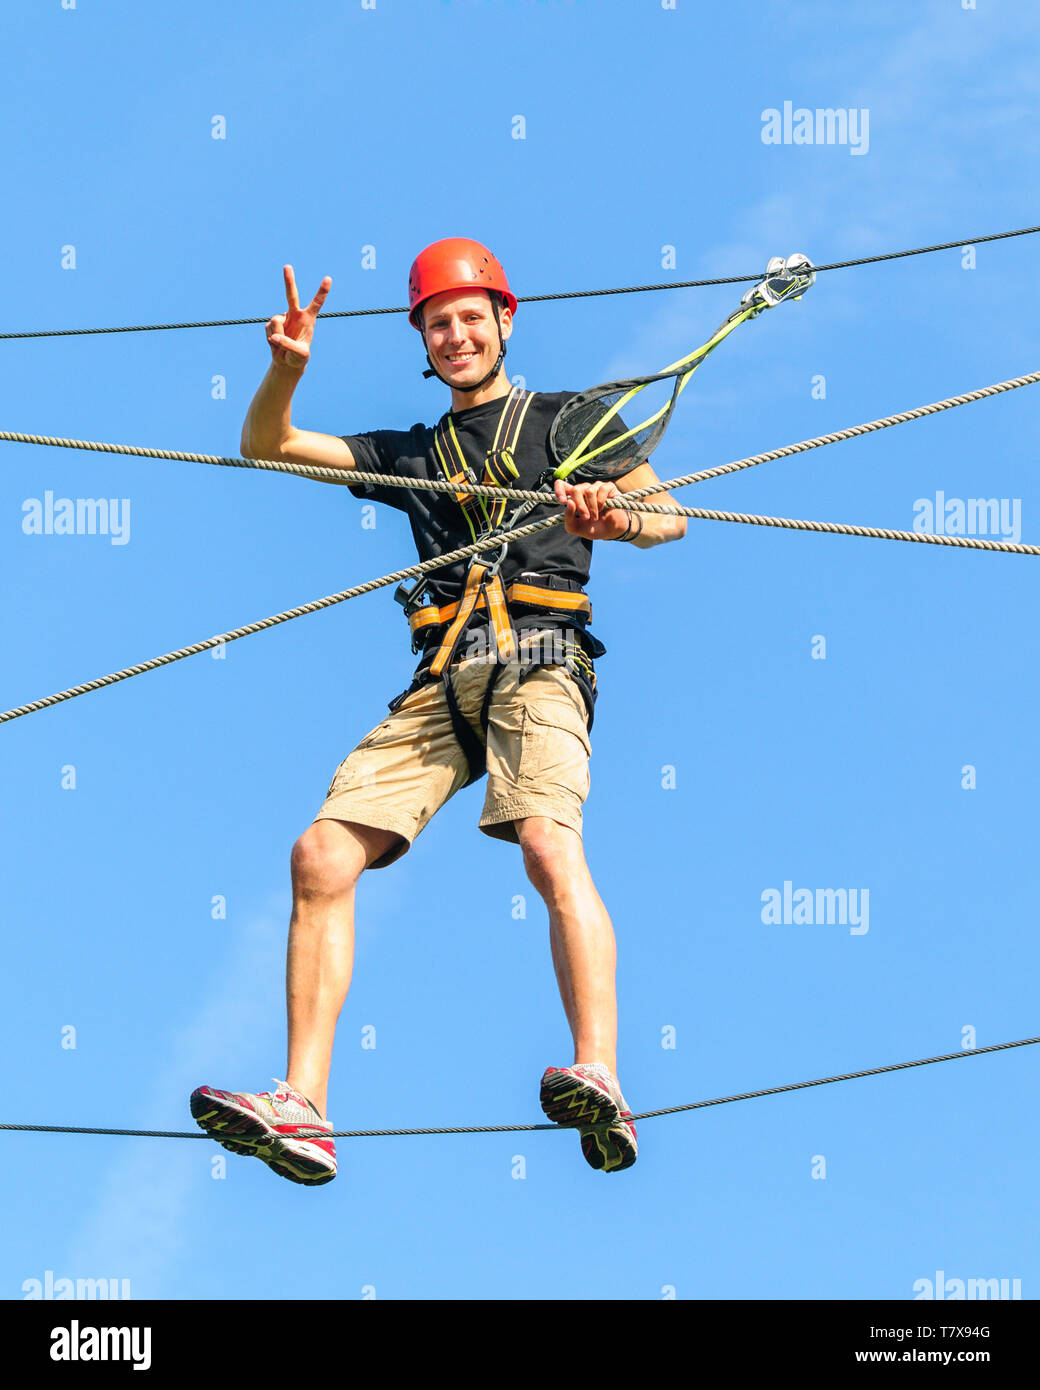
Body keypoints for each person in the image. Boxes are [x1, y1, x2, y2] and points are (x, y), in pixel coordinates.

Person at [190, 239, 686, 1184]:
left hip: (541, 658)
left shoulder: (568, 420)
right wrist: (283, 373)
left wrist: (611, 517)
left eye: (470, 316)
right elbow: (269, 444)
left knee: (547, 842)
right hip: (443, 674)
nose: (456, 334)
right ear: (422, 338)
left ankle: (602, 1073)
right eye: (437, 321)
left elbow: (667, 516)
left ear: (505, 318)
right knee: (321, 854)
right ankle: (302, 1105)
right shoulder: (412, 452)